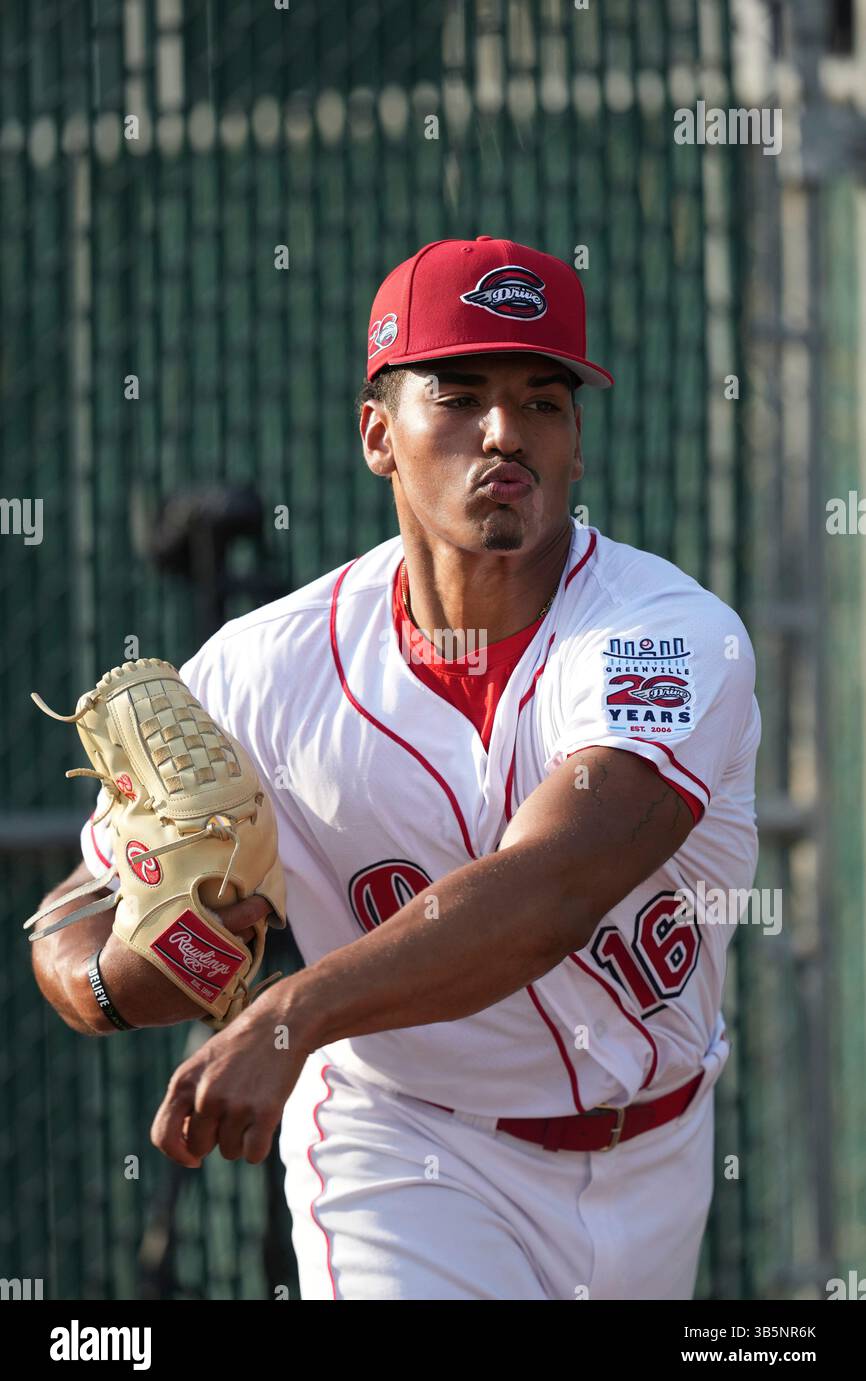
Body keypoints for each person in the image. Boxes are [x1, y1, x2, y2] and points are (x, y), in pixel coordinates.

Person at [31, 236, 760, 1300]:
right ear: (378, 433)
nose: (503, 431)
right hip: (406, 1146)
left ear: (575, 445)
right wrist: (124, 968)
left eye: (541, 401)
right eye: (457, 396)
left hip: (660, 1144)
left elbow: (546, 891)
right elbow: (72, 917)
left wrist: (291, 1012)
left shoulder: (666, 637)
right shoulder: (262, 673)